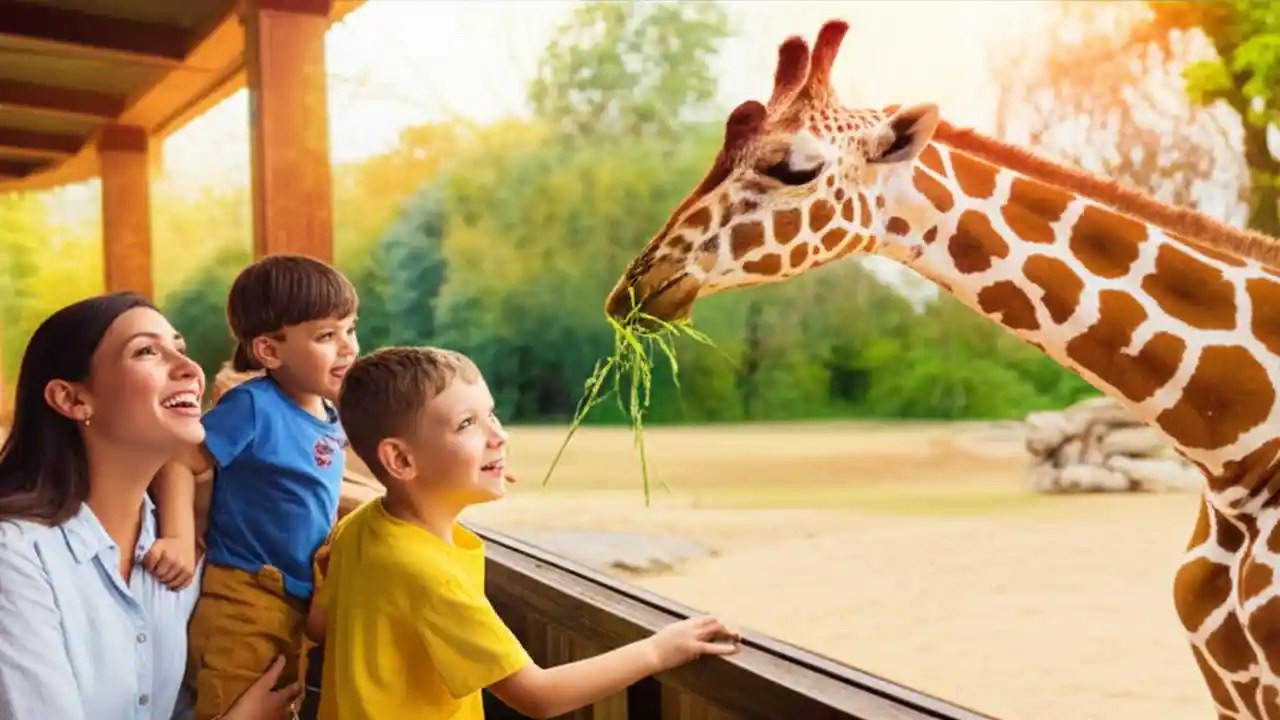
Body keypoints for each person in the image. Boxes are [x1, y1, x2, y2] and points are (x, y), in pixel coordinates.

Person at [306, 346, 741, 719]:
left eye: (490, 415)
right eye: (467, 425)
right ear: (400, 460)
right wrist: (659, 651)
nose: (499, 435)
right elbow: (538, 696)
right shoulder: (429, 575)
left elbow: (321, 623)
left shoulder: (362, 527)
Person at [0, 291, 299, 720]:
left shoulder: (174, 550)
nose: (190, 370)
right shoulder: (16, 557)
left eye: (180, 349)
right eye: (146, 352)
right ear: (72, 400)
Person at [148, 255, 359, 719]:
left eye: (350, 329)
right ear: (269, 351)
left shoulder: (331, 413)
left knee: (281, 707)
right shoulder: (252, 405)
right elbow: (179, 461)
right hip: (246, 598)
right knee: (237, 708)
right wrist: (180, 539)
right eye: (327, 335)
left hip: (299, 599)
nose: (348, 347)